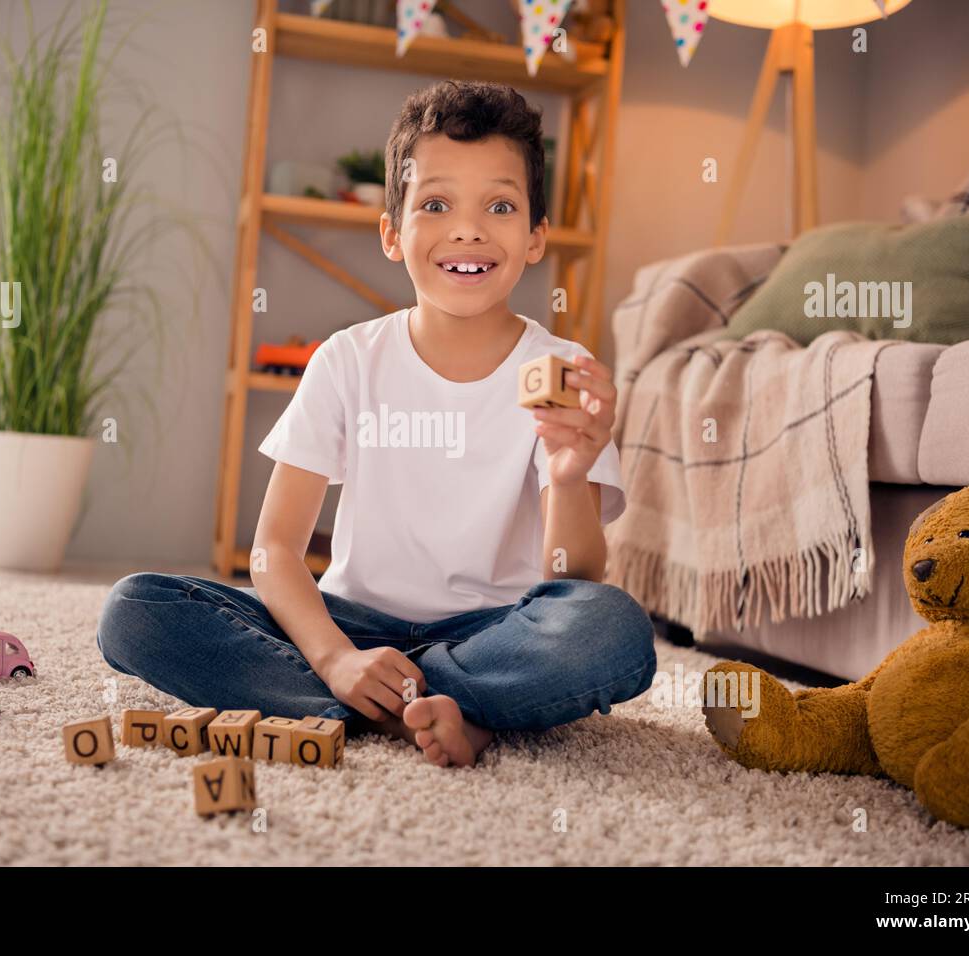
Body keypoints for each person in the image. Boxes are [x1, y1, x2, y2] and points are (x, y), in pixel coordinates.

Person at [97, 79, 656, 768]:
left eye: (501, 205)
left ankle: (417, 701)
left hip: (496, 631)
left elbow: (573, 578)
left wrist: (571, 477)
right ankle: (445, 710)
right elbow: (273, 548)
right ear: (392, 233)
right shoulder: (347, 360)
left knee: (611, 629)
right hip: (351, 623)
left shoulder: (564, 369)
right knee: (138, 609)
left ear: (537, 236)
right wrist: (334, 658)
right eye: (436, 204)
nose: (468, 228)